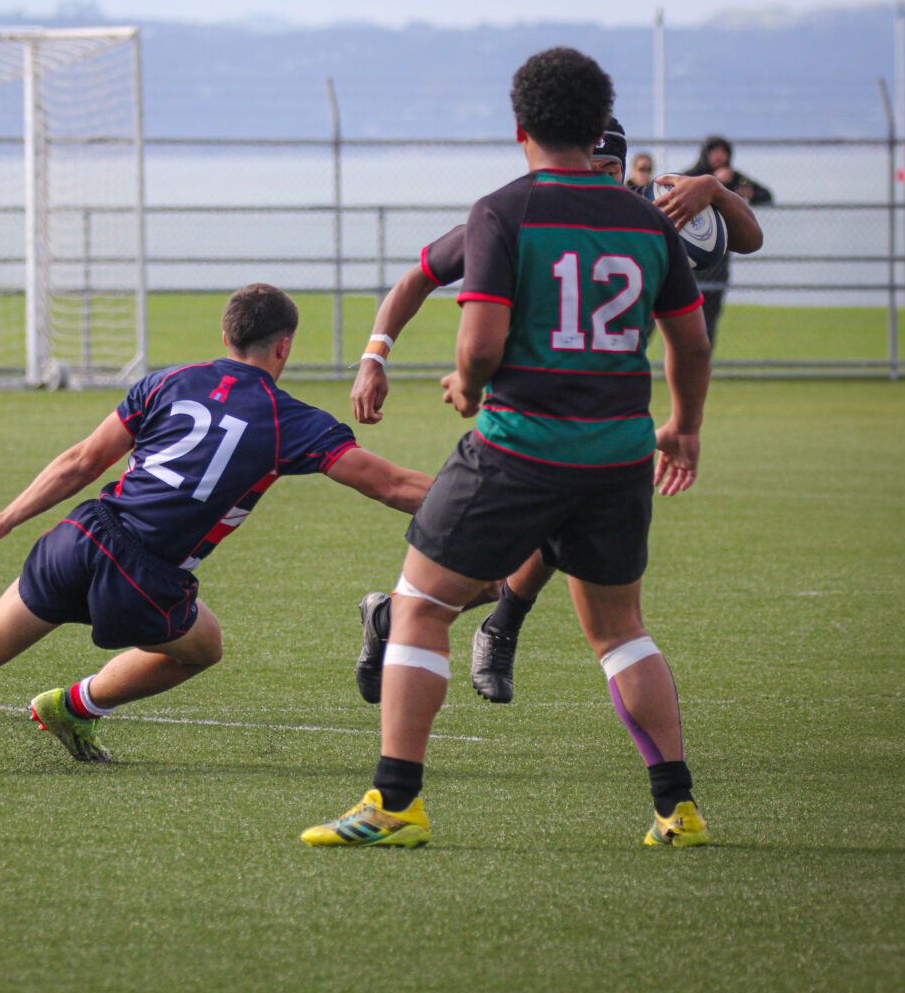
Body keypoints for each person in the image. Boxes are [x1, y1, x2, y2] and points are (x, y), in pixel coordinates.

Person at [305, 47, 713, 849]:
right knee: (621, 630)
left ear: (519, 126)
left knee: (419, 607)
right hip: (620, 452)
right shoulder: (645, 222)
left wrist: (468, 384)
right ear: (600, 129)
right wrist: (685, 426)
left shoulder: (504, 210)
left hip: (521, 447)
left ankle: (395, 805)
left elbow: (482, 341)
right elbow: (691, 345)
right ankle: (678, 808)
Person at [0, 283, 437, 771]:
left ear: (225, 334)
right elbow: (390, 485)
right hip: (143, 576)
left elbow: (82, 461)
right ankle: (75, 706)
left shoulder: (165, 382)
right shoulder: (290, 419)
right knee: (204, 646)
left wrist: (6, 518)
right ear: (284, 346)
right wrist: (488, 500)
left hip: (80, 536)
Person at [349, 115, 760, 708]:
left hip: (606, 412)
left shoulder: (653, 212)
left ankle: (472, 627)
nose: (594, 180)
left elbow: (744, 239)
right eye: (587, 166)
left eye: (609, 170)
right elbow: (421, 275)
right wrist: (374, 355)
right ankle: (433, 623)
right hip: (527, 407)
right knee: (499, 569)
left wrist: (714, 190)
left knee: (554, 552)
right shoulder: (524, 213)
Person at [683, 135, 773, 345]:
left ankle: (705, 359)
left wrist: (741, 194)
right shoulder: (693, 176)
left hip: (719, 257)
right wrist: (713, 184)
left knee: (711, 315)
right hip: (691, 257)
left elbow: (765, 195)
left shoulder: (734, 178)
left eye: (724, 151)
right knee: (687, 315)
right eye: (715, 151)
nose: (719, 156)